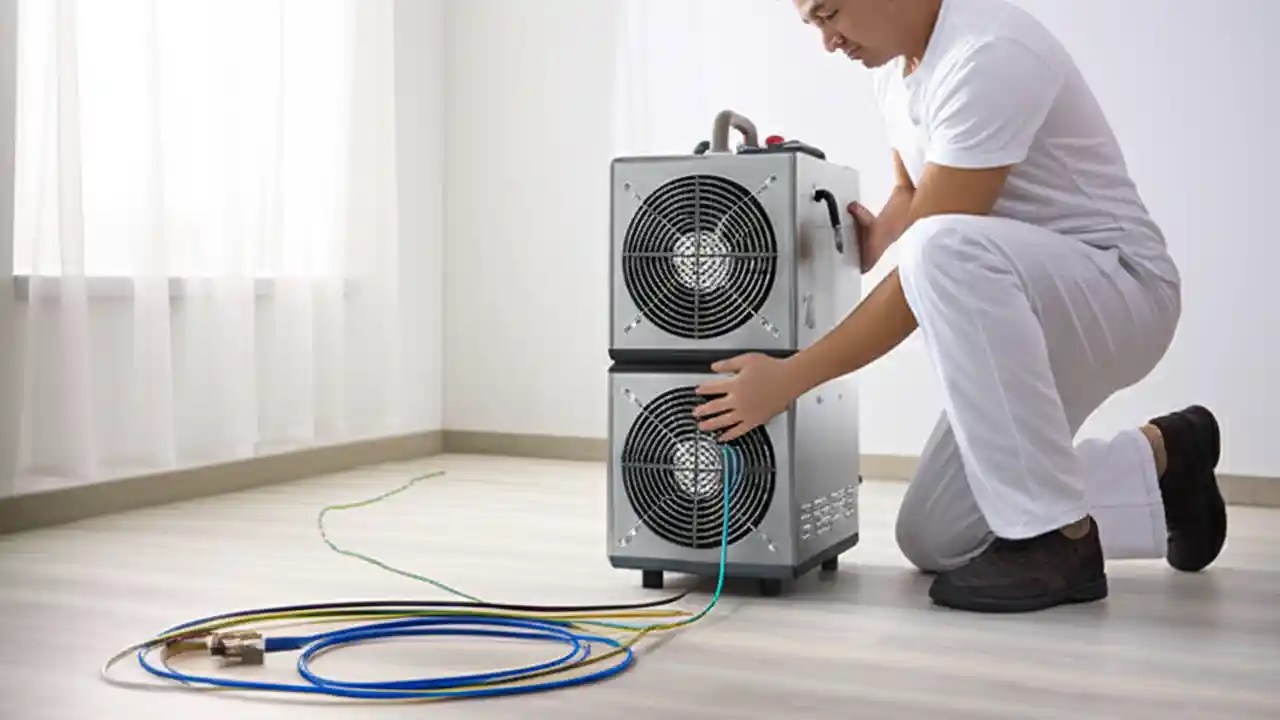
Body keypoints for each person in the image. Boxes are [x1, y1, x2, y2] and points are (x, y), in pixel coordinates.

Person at [692, 0, 1227, 613]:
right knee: (938, 536)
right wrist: (877, 236)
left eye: (830, 13)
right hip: (1024, 299)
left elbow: (928, 263)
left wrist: (789, 379)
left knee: (937, 248)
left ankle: (1059, 543)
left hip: (1117, 291)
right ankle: (1166, 460)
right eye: (814, 24)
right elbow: (912, 188)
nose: (828, 41)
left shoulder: (990, 55)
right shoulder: (893, 68)